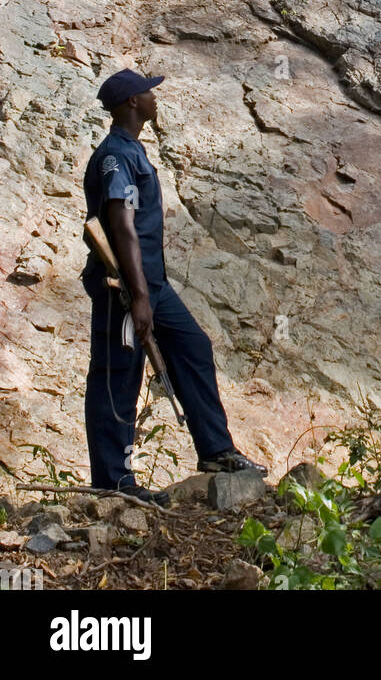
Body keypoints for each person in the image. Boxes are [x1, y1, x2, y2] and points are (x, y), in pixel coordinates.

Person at [81, 68, 266, 504]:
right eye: (149, 92)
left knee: (193, 347)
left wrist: (150, 291)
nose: (155, 98)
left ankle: (216, 452)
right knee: (117, 377)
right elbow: (121, 227)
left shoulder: (132, 150)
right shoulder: (115, 156)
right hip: (121, 287)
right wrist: (139, 297)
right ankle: (114, 484)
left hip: (151, 284)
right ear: (131, 102)